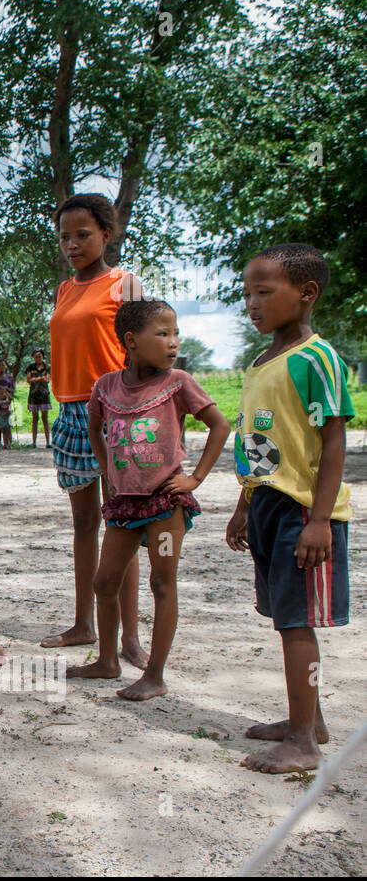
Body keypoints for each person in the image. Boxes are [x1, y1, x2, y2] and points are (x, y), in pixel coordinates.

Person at [225, 244, 353, 773]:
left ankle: (303, 743)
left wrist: (320, 519)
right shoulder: (260, 362)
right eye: (247, 293)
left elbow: (335, 439)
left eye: (263, 292)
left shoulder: (315, 359)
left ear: (306, 294)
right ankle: (310, 719)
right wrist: (243, 504)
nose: (251, 304)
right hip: (268, 506)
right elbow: (256, 443)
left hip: (304, 512)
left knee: (296, 623)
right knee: (284, 616)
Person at [67, 299, 229, 699]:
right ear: (131, 340)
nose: (173, 342)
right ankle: (107, 661)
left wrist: (195, 477)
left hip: (164, 504)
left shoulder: (178, 383)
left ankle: (154, 675)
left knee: (161, 582)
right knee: (105, 583)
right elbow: (94, 427)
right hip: (126, 503)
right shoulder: (106, 386)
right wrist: (107, 468)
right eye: (163, 333)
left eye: (176, 333)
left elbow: (220, 426)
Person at [41, 193, 147, 667]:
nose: (72, 244)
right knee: (84, 524)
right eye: (64, 236)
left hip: (117, 410)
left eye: (82, 234)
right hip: (69, 412)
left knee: (122, 525)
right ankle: (83, 623)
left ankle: (129, 637)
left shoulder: (125, 283)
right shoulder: (65, 289)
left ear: (107, 233)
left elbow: (147, 348)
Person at [26, 348, 52, 448]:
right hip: (33, 395)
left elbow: (47, 380)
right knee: (35, 419)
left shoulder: (47, 367)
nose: (38, 358)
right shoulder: (30, 367)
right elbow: (28, 380)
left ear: (42, 357)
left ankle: (48, 442)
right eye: (36, 356)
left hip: (44, 395)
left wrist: (35, 379)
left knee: (45, 419)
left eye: (39, 356)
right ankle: (34, 442)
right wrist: (40, 378)